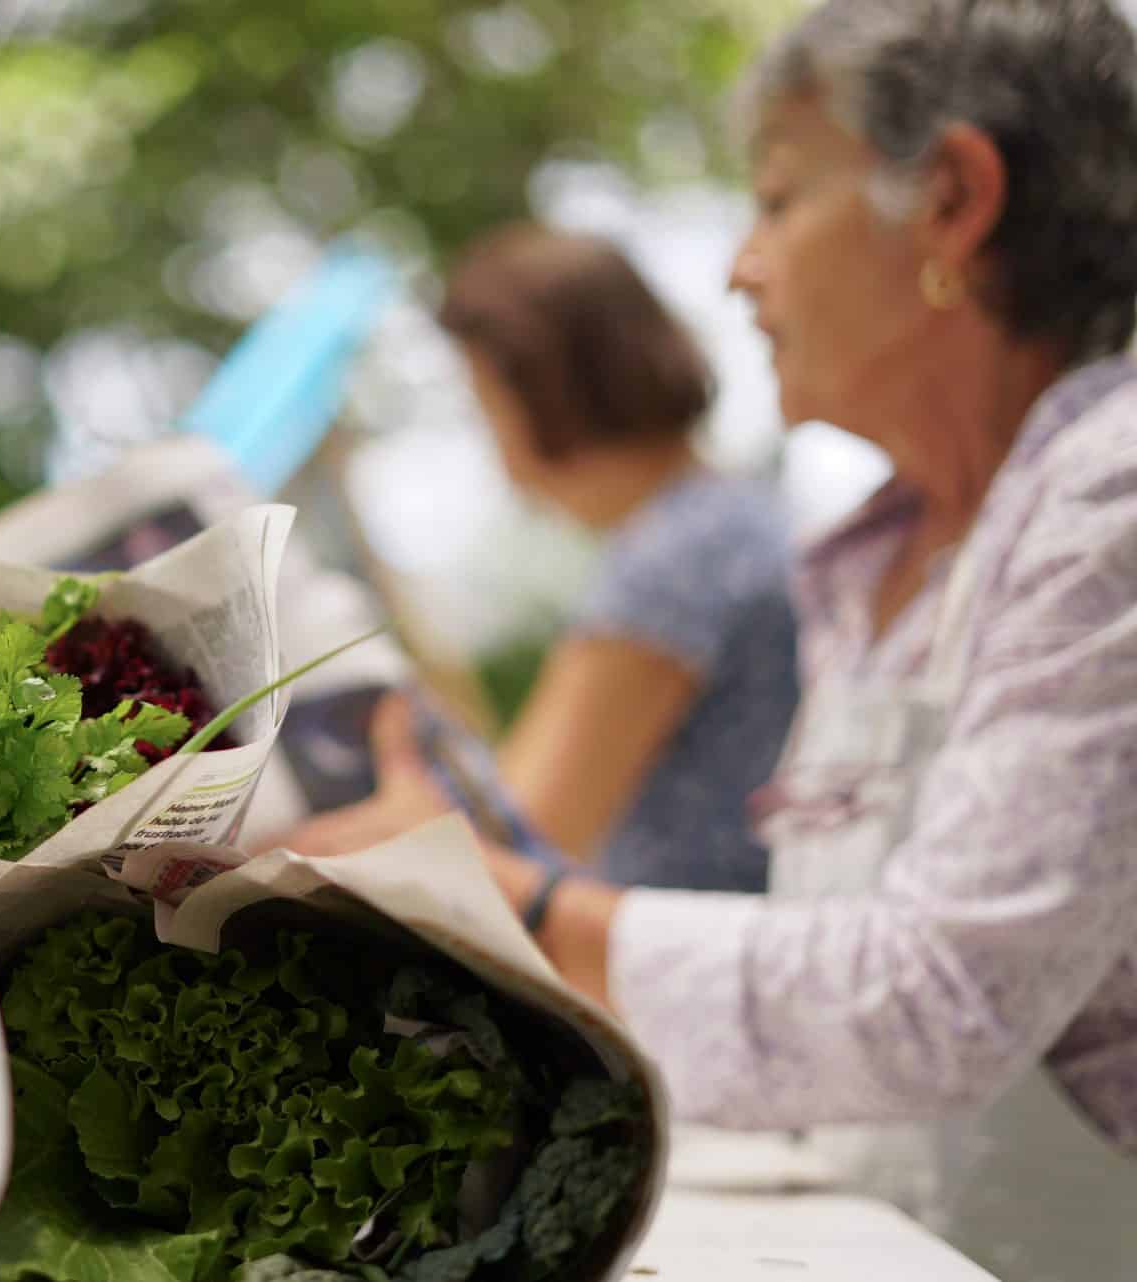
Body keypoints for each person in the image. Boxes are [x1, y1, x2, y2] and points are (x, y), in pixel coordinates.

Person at [292, 1, 1137, 1276]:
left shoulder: (1113, 494)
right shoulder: (866, 557)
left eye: (782, 200)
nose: (741, 267)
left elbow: (937, 1000)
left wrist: (513, 896)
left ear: (955, 201)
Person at [282, 225, 800, 893]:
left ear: (541, 390)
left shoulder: (678, 558)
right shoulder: (731, 518)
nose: (485, 433)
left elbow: (520, 839)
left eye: (482, 399)